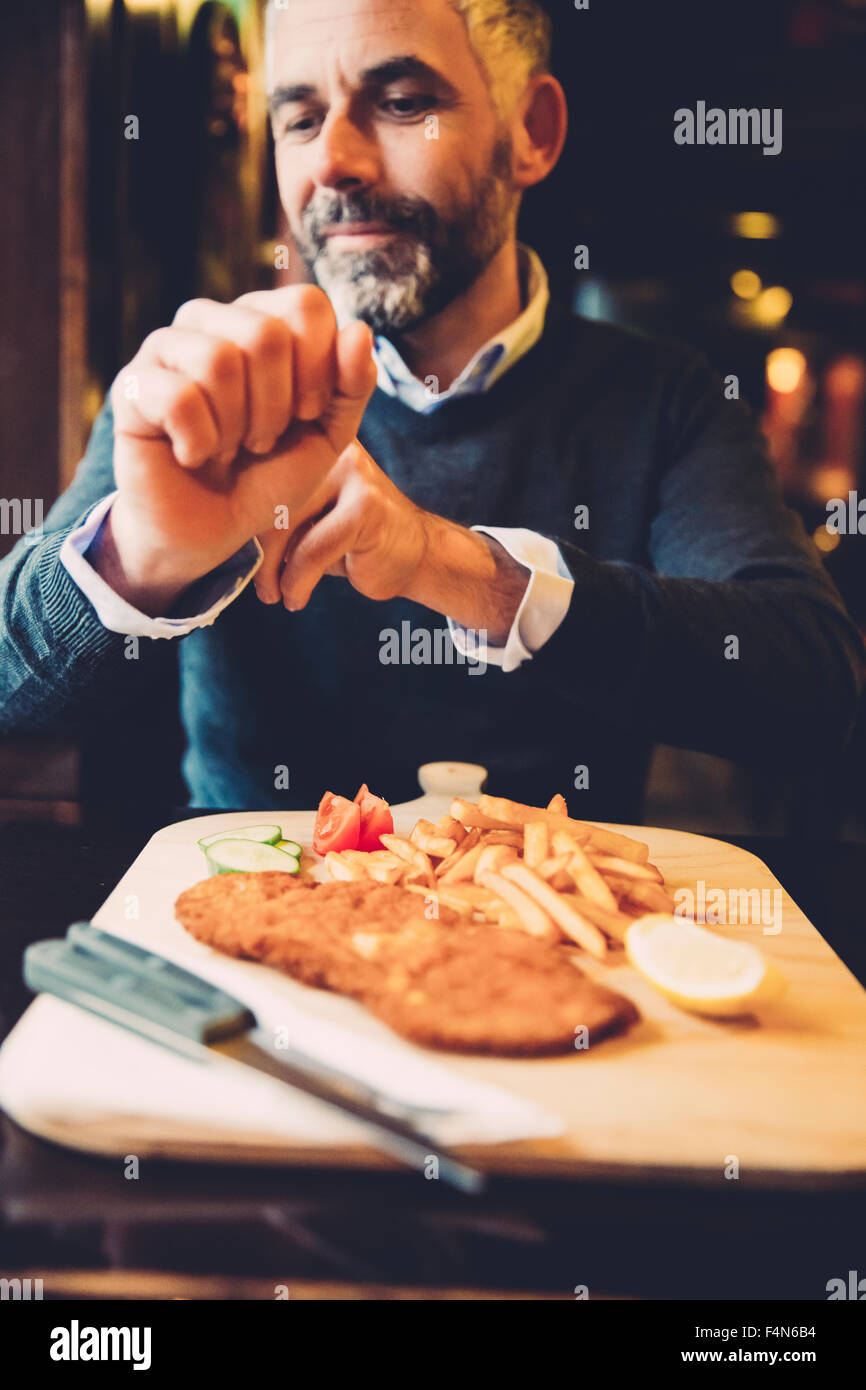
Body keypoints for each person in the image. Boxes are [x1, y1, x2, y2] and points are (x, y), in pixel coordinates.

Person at [0, 0, 861, 819]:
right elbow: (10, 695)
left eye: (404, 102)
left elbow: (813, 691)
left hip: (550, 947)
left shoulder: (667, 400)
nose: (333, 160)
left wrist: (457, 570)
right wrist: (139, 560)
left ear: (532, 133)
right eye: (299, 119)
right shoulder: (204, 387)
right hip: (238, 931)